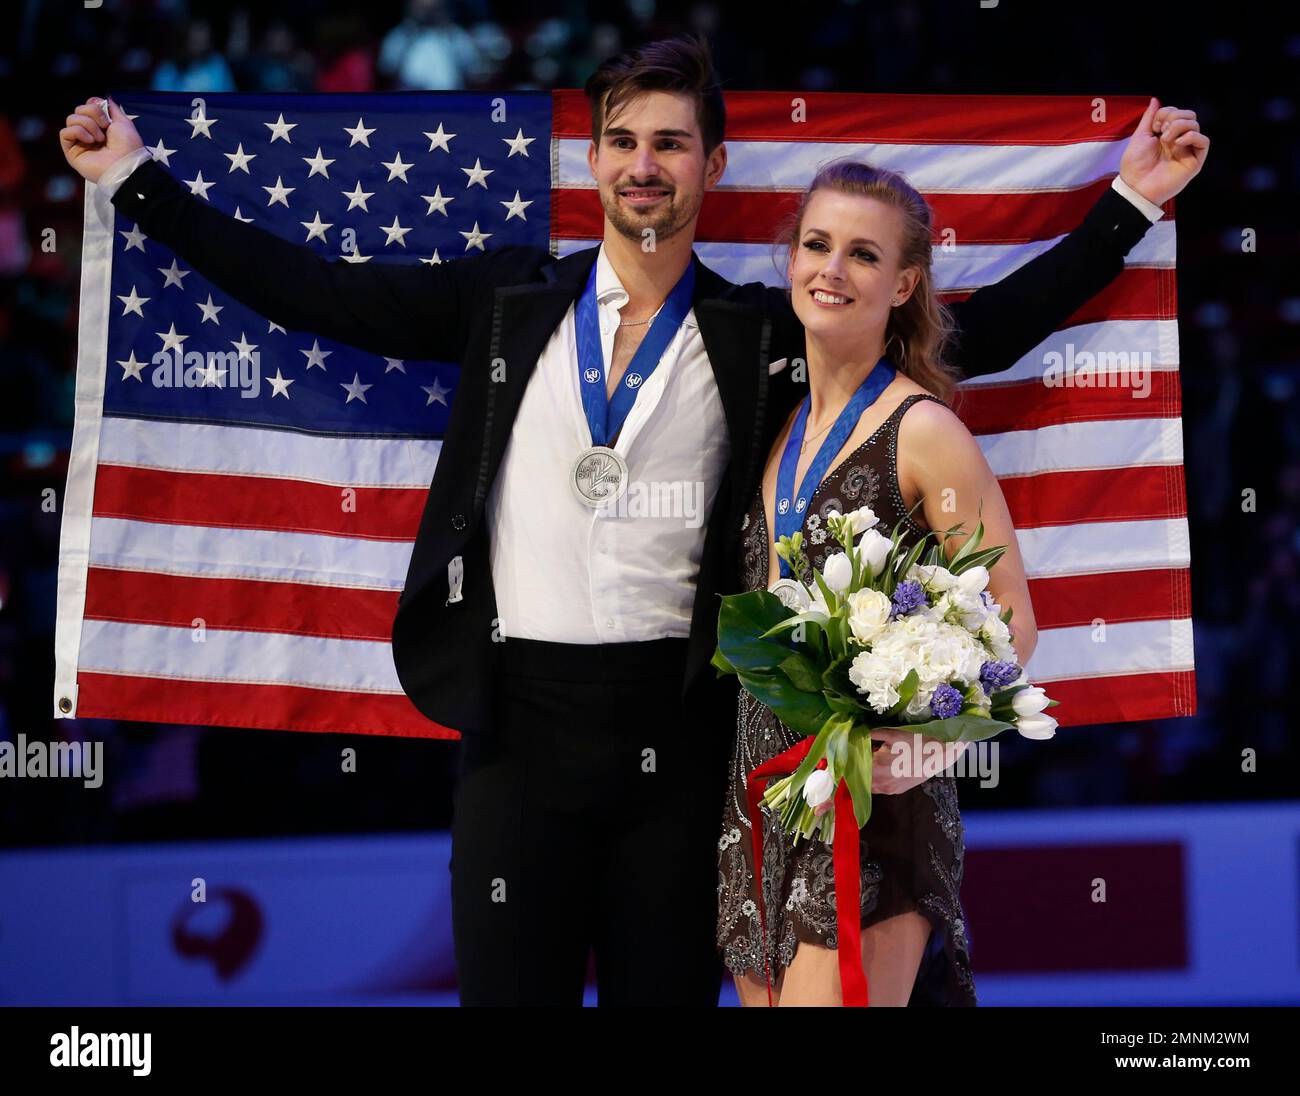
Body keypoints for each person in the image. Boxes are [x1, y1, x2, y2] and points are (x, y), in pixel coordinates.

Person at [59, 34, 1203, 1006]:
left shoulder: (762, 332)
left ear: (713, 162)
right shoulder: (505, 301)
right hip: (514, 733)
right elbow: (317, 294)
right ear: (592, 157)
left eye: (668, 142)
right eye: (621, 139)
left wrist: (1128, 205)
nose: (642, 164)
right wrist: (133, 179)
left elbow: (968, 336)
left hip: (683, 744)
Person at [719, 161, 1033, 1007]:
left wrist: (933, 746)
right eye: (816, 245)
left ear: (904, 283)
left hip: (874, 810)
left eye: (862, 254)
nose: (831, 268)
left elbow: (1011, 621)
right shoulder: (781, 429)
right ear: (788, 262)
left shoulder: (924, 429)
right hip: (763, 798)